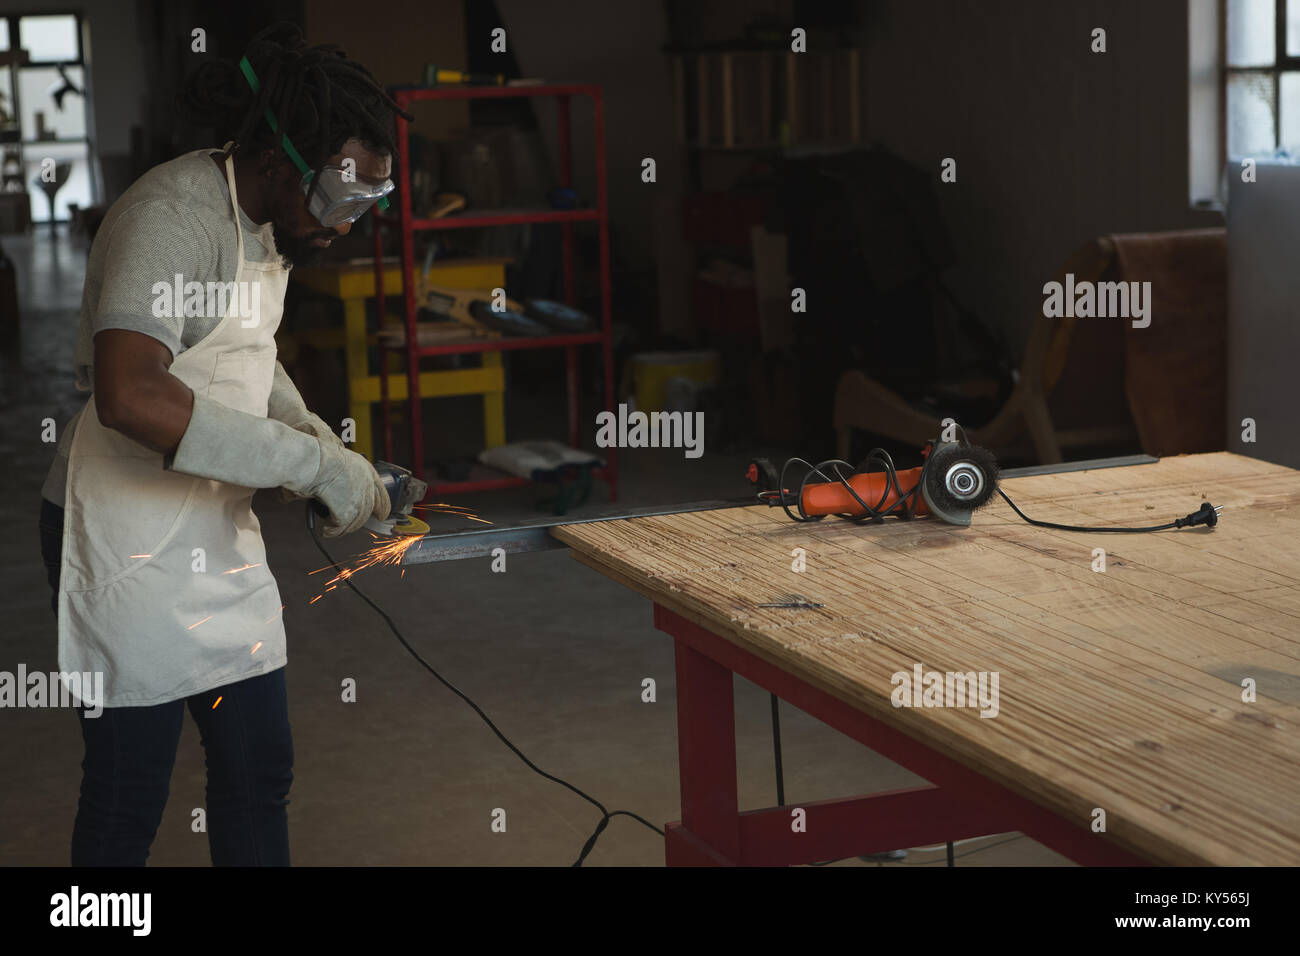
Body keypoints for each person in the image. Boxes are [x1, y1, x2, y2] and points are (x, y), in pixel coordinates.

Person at [36, 22, 412, 866]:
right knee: (130, 787)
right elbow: (132, 391)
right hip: (120, 535)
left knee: (256, 767)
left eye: (367, 206)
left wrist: (311, 433)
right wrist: (307, 463)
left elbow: (240, 351)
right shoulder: (172, 219)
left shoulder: (270, 222)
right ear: (280, 163)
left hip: (212, 530)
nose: (346, 226)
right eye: (339, 201)